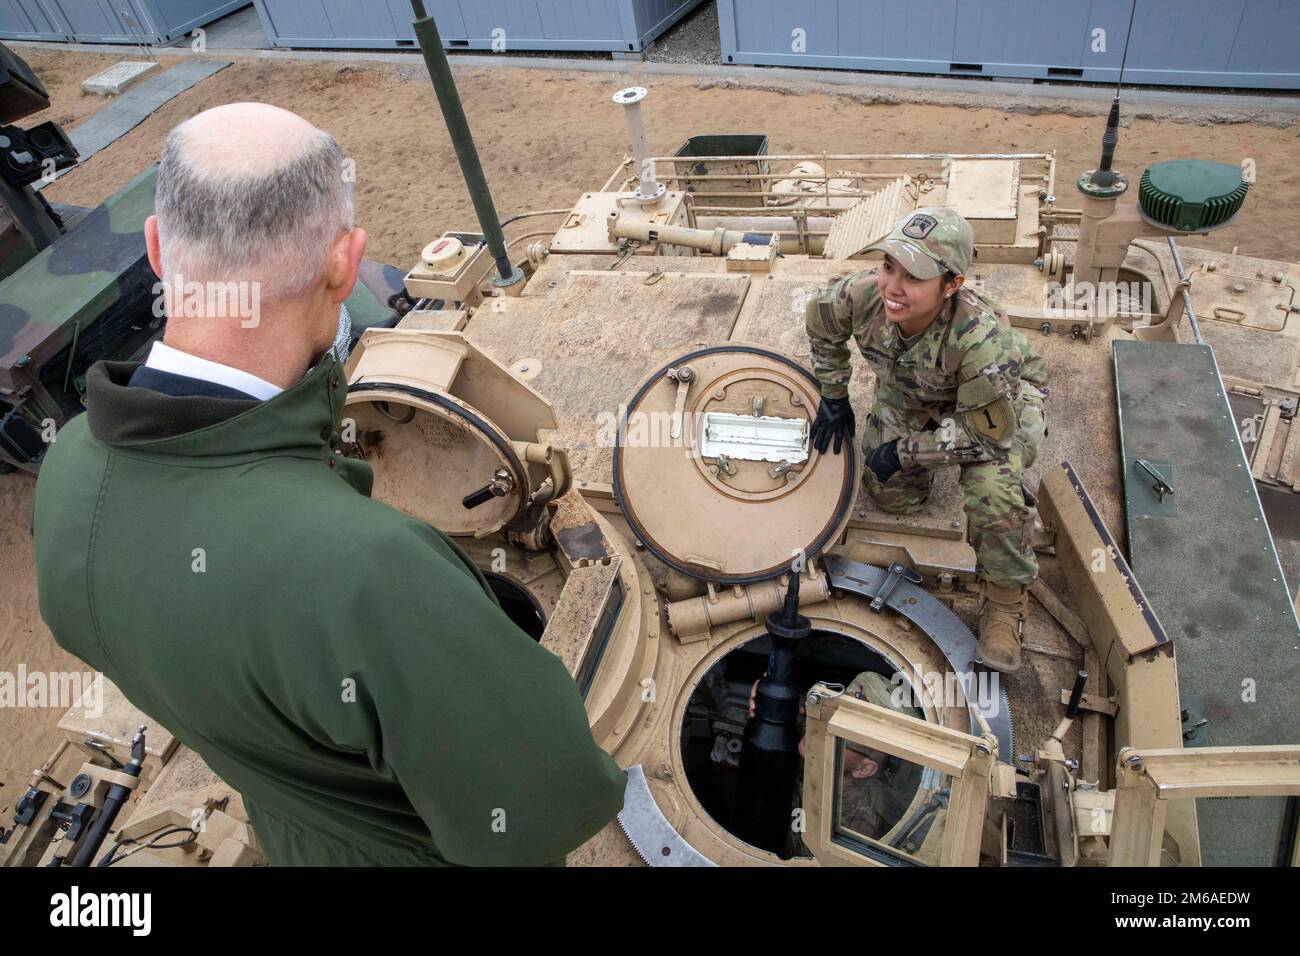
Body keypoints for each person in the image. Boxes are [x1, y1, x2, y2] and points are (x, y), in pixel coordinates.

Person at [31, 103, 624, 866]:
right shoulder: (373, 572)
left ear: (155, 248)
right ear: (345, 264)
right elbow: (545, 809)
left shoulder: (67, 474)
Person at [805, 208, 1048, 671]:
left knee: (993, 492)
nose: (893, 287)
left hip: (995, 408)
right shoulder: (862, 295)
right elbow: (821, 321)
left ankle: (1004, 602)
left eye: (914, 276)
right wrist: (833, 394)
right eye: (888, 266)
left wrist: (906, 452)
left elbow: (987, 437)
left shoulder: (983, 340)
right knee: (891, 496)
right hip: (915, 390)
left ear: (951, 284)